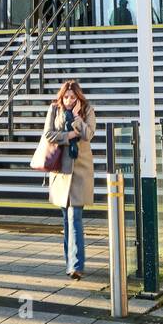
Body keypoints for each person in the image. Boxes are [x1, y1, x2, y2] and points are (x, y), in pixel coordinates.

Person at [42, 79, 96, 279]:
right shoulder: (54, 109)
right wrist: (69, 135)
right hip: (61, 171)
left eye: (73, 97)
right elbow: (48, 134)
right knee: (67, 219)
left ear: (78, 97)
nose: (69, 100)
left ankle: (76, 265)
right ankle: (70, 262)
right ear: (62, 96)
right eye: (66, 97)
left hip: (80, 170)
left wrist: (75, 119)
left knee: (75, 218)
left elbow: (89, 134)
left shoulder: (87, 110)